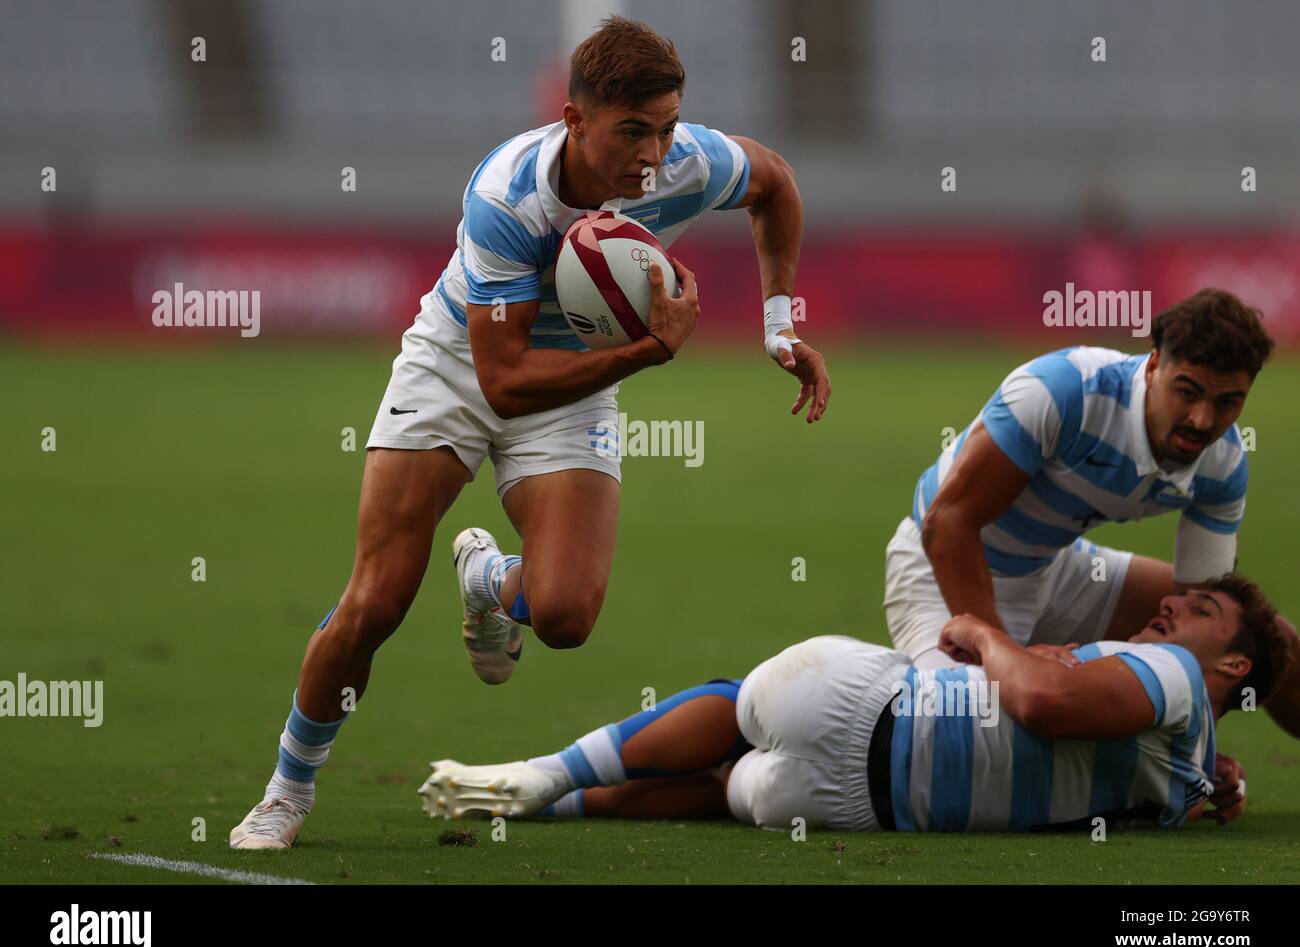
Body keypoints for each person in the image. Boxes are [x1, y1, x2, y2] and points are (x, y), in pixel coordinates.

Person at [230, 16, 830, 850]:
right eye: (631, 132)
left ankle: (487, 581)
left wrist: (777, 325)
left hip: (576, 383)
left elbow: (778, 184)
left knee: (565, 614)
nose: (652, 154)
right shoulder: (508, 196)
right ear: (574, 120)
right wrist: (651, 350)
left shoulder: (688, 160)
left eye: (663, 128)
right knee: (376, 600)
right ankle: (287, 791)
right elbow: (503, 381)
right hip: (460, 367)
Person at [422, 575, 1287, 833]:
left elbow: (1048, 707)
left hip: (859, 707)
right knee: (725, 789)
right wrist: (1216, 780)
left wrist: (986, 637)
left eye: (1201, 612)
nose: (1172, 606)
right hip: (859, 810)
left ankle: (545, 776)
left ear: (1236, 660)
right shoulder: (1181, 771)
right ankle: (563, 808)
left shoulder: (1170, 679)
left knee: (731, 708)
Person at [882, 289, 1300, 738]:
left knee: (1271, 640)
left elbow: (1206, 622)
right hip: (942, 570)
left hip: (1056, 568)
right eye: (1188, 392)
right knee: (969, 730)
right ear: (1155, 364)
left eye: (1227, 402)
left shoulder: (1224, 464)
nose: (1201, 420)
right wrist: (1006, 654)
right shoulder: (1064, 392)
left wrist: (1193, 747)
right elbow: (947, 524)